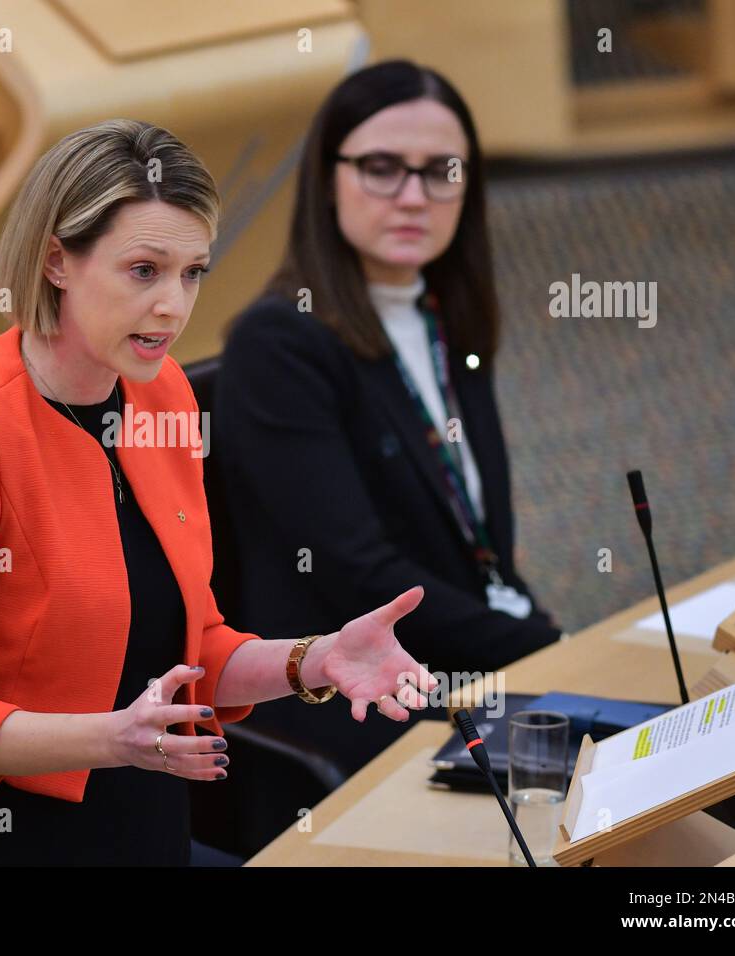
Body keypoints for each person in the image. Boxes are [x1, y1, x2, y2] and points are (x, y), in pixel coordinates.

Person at [0, 119, 439, 866]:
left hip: (152, 830)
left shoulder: (163, 397)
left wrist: (317, 659)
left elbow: (191, 645)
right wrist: (110, 738)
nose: (174, 305)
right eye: (144, 270)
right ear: (55, 262)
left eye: (193, 272)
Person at [215, 61, 564, 777]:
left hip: (468, 668)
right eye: (381, 168)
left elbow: (476, 546)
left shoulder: (447, 320)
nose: (413, 196)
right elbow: (359, 575)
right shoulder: (279, 344)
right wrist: (548, 648)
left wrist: (543, 638)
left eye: (441, 171)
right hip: (357, 697)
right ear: (326, 180)